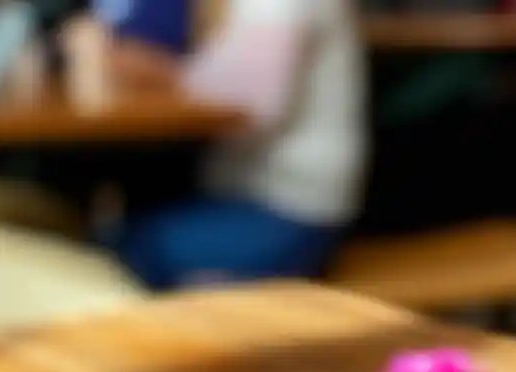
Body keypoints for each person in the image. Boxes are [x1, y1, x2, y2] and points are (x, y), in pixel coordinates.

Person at [93, 0, 367, 289]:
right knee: (117, 233)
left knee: (125, 250)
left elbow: (251, 106)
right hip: (257, 201)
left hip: (293, 214)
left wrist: (156, 71)